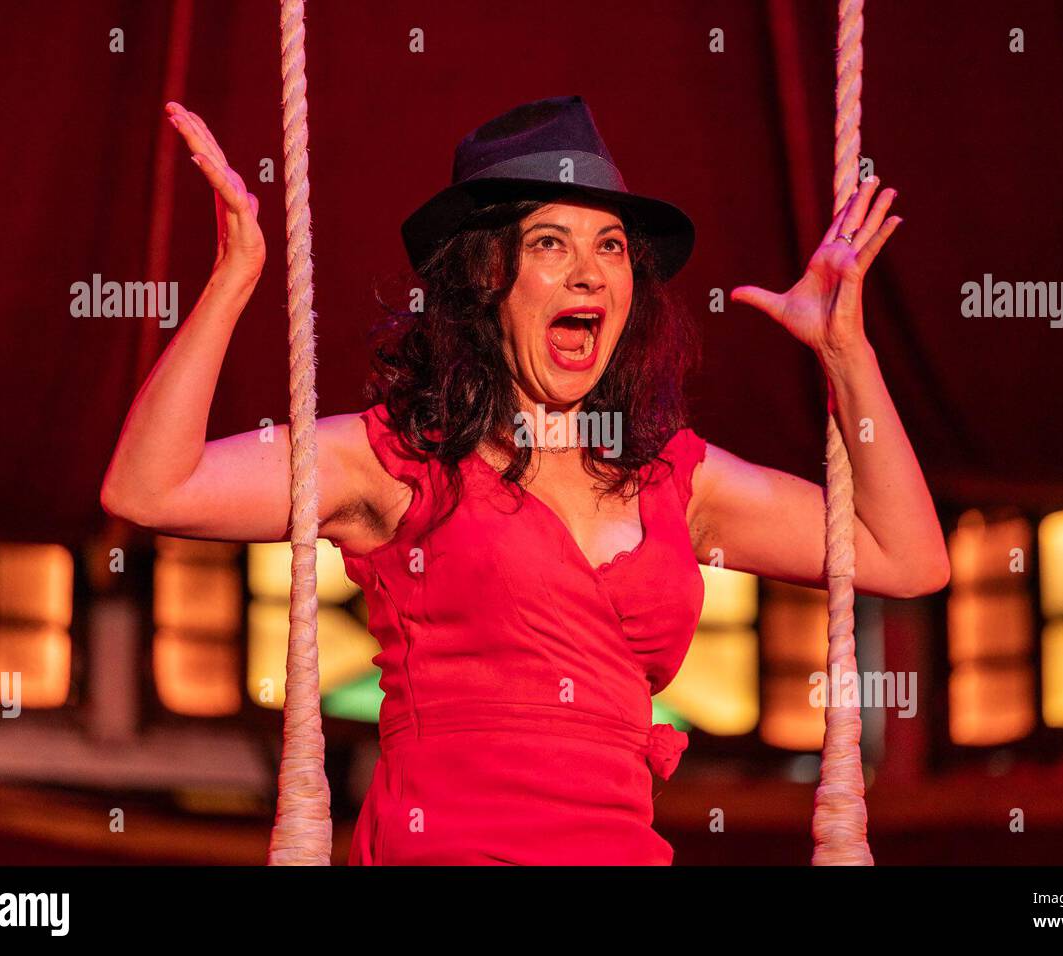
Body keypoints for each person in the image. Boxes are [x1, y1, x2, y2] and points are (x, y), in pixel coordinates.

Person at [101, 95, 949, 865]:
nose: (591, 272)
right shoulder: (397, 463)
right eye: (552, 242)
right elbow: (150, 489)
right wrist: (233, 278)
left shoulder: (673, 478)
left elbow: (906, 557)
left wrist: (847, 350)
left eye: (610, 246)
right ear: (483, 276)